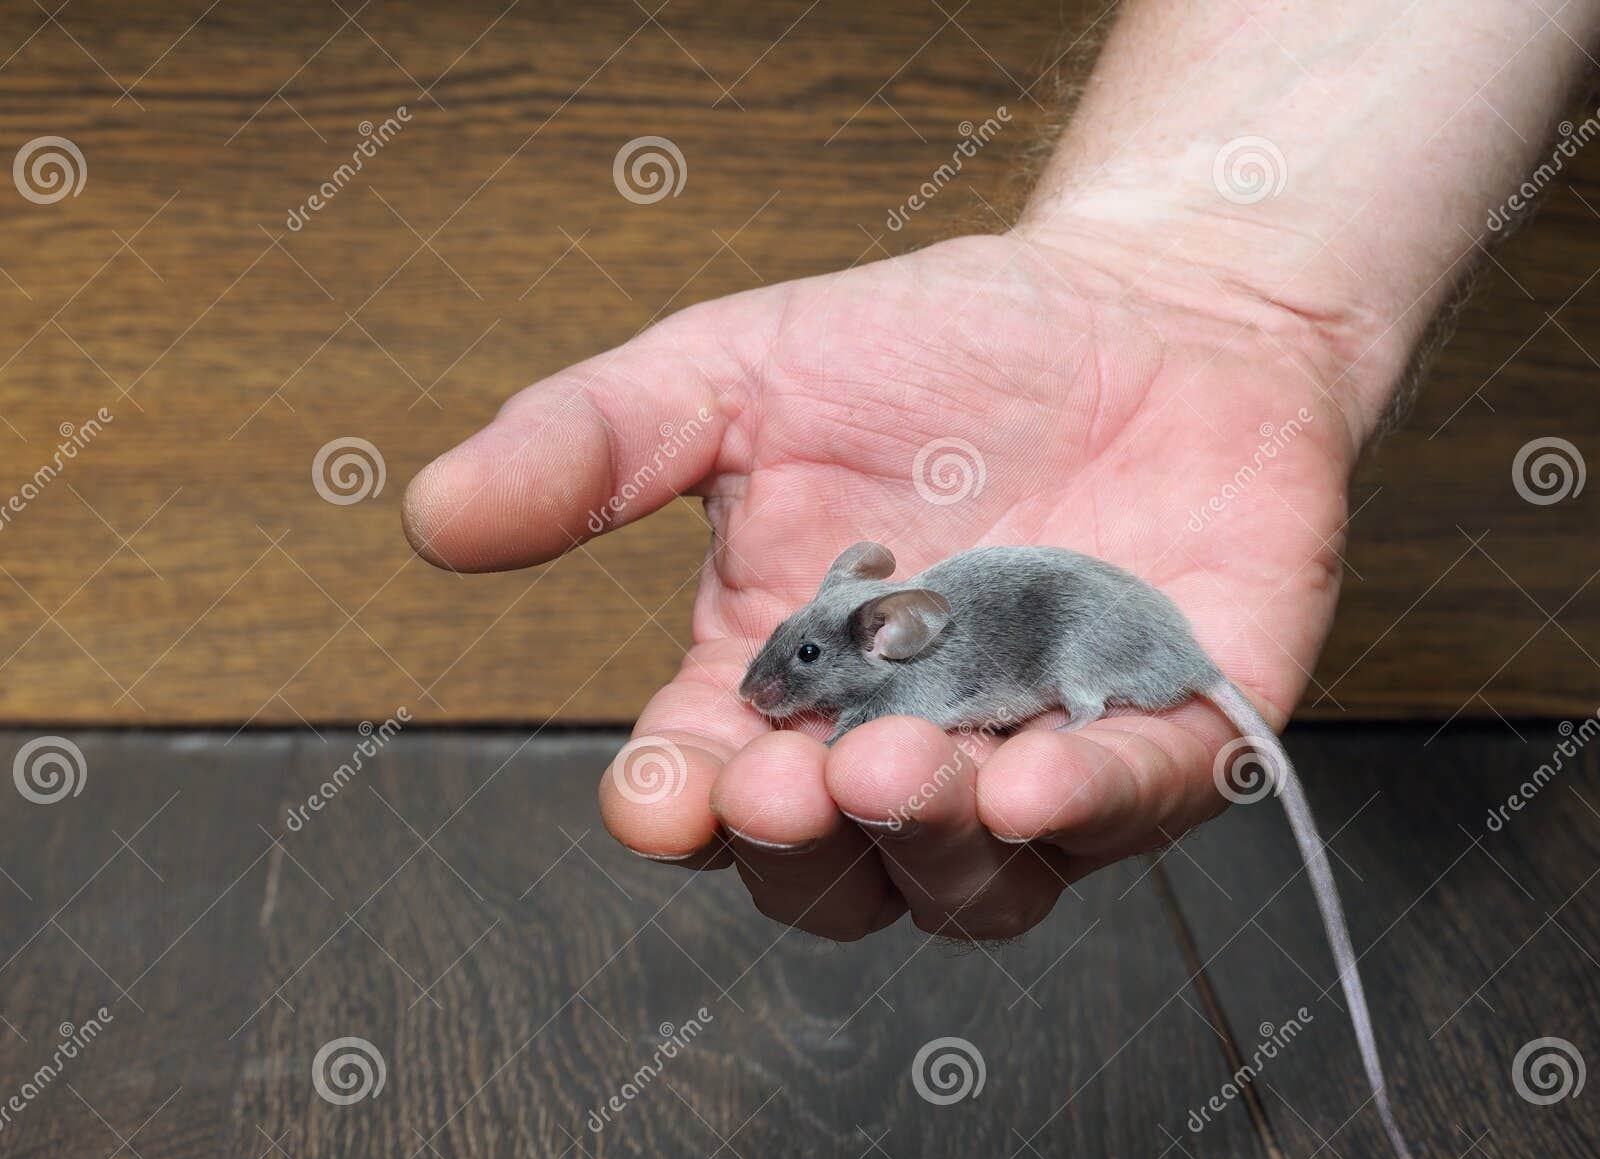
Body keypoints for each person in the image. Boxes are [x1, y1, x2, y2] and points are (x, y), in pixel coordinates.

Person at [402, 1, 1598, 943]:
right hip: (1049, 621)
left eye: (808, 659)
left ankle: (1087, 701)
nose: (781, 674)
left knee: (1036, 692)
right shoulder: (873, 631)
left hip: (1101, 652)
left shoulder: (915, 659)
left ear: (889, 633)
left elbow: (918, 700)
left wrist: (1239, 302)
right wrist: (1199, 271)